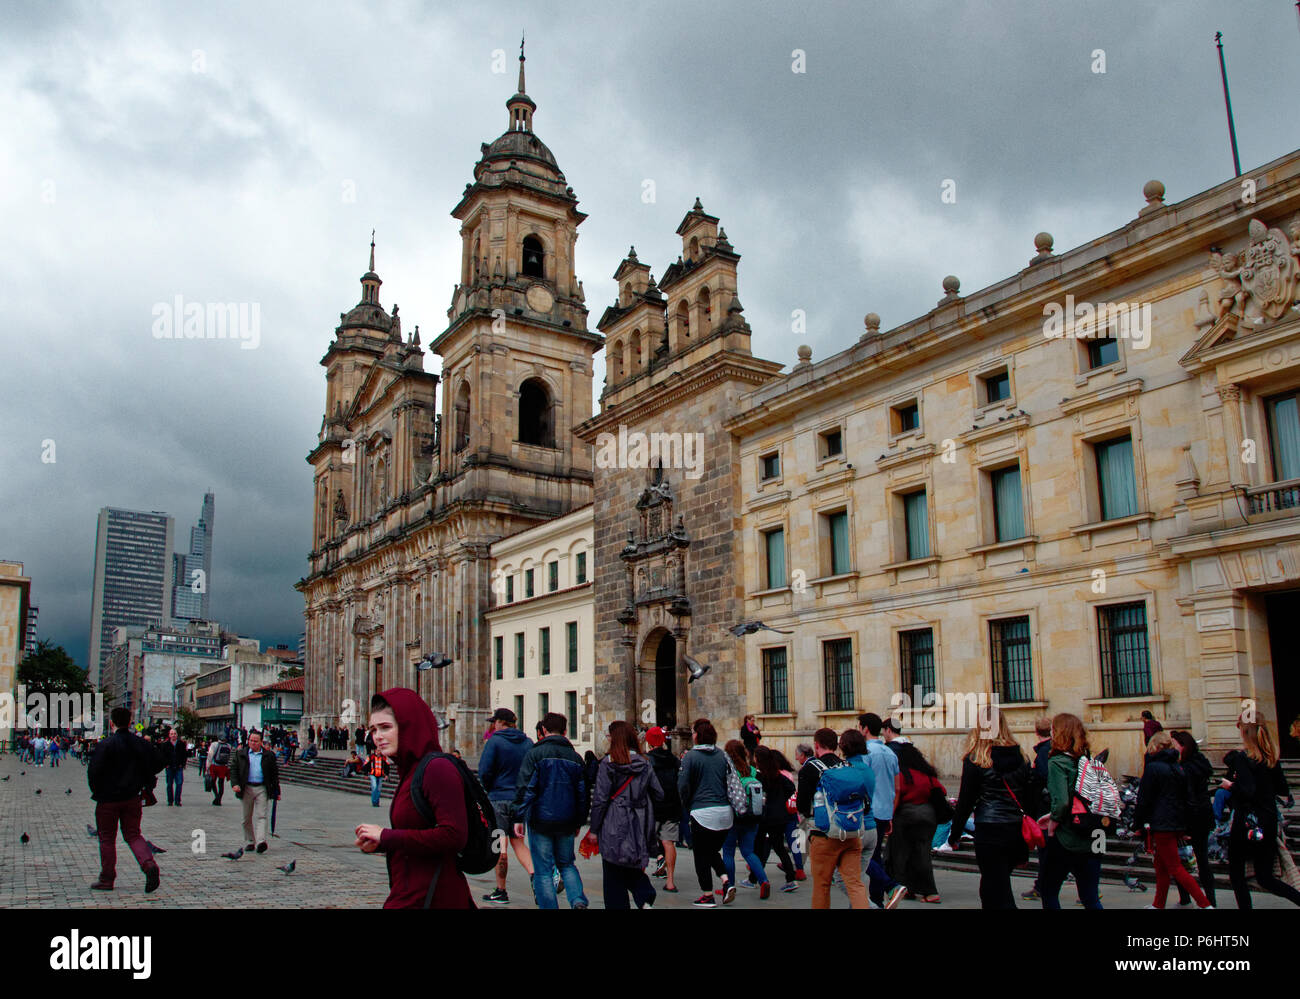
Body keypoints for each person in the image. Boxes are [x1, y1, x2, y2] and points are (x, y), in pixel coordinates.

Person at [354, 688, 473, 908]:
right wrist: (382, 843)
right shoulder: (410, 771)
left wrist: (387, 836)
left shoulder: (437, 768)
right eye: (373, 729)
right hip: (411, 891)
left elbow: (454, 835)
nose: (377, 736)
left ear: (409, 726)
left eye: (386, 727)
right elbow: (418, 833)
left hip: (434, 896)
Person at [948, 710, 1037, 910]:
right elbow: (1029, 798)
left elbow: (965, 802)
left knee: (996, 888)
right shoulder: (1021, 756)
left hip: (989, 829)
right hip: (1015, 828)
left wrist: (954, 834)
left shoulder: (976, 759)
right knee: (995, 884)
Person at [513, 711, 590, 909]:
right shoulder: (575, 757)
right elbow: (582, 794)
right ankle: (578, 900)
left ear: (544, 730)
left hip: (540, 820)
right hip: (567, 820)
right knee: (567, 864)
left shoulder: (535, 754)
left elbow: (525, 788)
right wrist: (579, 821)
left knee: (543, 871)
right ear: (565, 731)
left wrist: (518, 817)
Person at [1223, 720, 1300, 908]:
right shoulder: (1270, 758)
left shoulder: (1243, 758)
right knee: (1265, 877)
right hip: (1268, 822)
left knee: (1237, 875)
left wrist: (1231, 785)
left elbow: (1247, 791)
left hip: (1247, 824)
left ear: (1245, 735)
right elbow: (1282, 788)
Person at [87, 707, 164, 893]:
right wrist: (145, 781)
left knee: (106, 838)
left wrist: (98, 791)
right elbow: (158, 762)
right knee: (133, 835)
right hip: (132, 797)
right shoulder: (141, 744)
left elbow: (94, 772)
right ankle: (148, 864)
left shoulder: (106, 745)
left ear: (112, 723)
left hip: (107, 800)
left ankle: (107, 879)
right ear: (130, 722)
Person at [1134, 730, 1212, 909]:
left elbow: (1144, 799)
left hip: (1161, 823)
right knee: (1161, 865)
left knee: (1176, 867)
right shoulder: (1178, 767)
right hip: (1176, 822)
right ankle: (1158, 904)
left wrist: (1138, 824)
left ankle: (1205, 904)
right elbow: (1187, 798)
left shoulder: (1153, 768)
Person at [589, 720, 663, 909]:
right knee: (632, 863)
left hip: (613, 819)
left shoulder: (608, 763)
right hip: (639, 820)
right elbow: (659, 793)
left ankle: (630, 901)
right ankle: (644, 896)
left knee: (613, 870)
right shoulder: (645, 763)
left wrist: (594, 830)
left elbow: (600, 799)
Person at [797, 728, 871, 909]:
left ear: (816, 745)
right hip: (852, 833)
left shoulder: (809, 770)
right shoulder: (848, 766)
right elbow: (866, 804)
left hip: (824, 835)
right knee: (855, 884)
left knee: (822, 886)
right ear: (836, 745)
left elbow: (802, 807)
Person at [1038, 712, 1102, 910]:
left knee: (1049, 892)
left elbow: (1062, 801)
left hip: (1067, 836)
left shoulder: (1057, 762)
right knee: (1090, 896)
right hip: (1093, 834)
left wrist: (1052, 822)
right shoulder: (1088, 761)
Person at [477, 707, 534, 904]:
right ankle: (535, 878)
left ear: (501, 722)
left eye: (495, 722)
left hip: (498, 798)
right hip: (519, 800)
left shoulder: (495, 741)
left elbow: (484, 771)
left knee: (499, 845)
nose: (493, 725)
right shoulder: (527, 742)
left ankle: (501, 890)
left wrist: (489, 789)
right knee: (519, 842)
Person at [677, 718, 735, 907]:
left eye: (693, 732)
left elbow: (683, 785)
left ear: (698, 736)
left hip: (703, 812)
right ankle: (726, 881)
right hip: (725, 813)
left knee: (701, 855)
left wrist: (687, 805)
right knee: (710, 851)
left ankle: (708, 895)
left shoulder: (691, 757)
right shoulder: (722, 755)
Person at [888, 737, 945, 903]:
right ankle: (929, 892)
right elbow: (941, 790)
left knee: (901, 853)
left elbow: (896, 794)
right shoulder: (927, 774)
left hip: (905, 815)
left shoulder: (901, 773)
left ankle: (905, 888)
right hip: (928, 816)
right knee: (922, 854)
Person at [858, 713, 906, 909]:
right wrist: (891, 814)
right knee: (874, 855)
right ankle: (877, 900)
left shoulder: (866, 753)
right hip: (885, 810)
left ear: (865, 729)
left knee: (860, 855)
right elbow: (898, 787)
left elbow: (862, 783)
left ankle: (891, 886)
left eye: (860, 727)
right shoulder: (890, 753)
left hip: (869, 811)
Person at [1170, 730, 1217, 908]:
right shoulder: (1201, 764)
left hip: (1189, 819)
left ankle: (1186, 897)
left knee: (1181, 861)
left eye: (1175, 746)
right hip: (1203, 817)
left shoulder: (1184, 769)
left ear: (1184, 747)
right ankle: (1210, 899)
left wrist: (1183, 825)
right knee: (1203, 861)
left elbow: (1186, 798)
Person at [721, 739, 768, 896]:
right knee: (748, 851)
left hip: (734, 817)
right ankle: (764, 881)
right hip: (752, 817)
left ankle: (730, 886)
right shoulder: (753, 771)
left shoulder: (728, 771)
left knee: (728, 852)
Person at [754, 746, 799, 892]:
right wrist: (780, 801)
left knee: (760, 847)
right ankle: (791, 877)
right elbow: (791, 788)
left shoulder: (760, 776)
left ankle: (754, 878)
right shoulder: (777, 775)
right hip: (780, 816)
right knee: (779, 847)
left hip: (766, 817)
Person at [231, 729, 281, 854]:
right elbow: (234, 769)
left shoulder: (268, 755)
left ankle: (260, 842)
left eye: (255, 741)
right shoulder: (241, 754)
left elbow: (274, 774)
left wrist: (277, 791)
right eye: (251, 740)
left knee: (262, 816)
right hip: (246, 787)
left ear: (261, 742)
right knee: (246, 818)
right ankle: (250, 841)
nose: (253, 743)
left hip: (262, 788)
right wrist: (235, 784)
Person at [646, 726, 682, 893]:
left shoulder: (647, 760)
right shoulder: (674, 759)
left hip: (652, 807)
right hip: (671, 806)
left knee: (644, 842)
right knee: (669, 843)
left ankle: (640, 878)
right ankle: (671, 881)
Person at [1022, 715, 1054, 901]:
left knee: (1046, 850)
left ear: (1036, 731)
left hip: (1046, 810)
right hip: (1055, 808)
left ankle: (1041, 887)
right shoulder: (1057, 749)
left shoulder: (1044, 752)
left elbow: (1043, 778)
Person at [159, 728, 188, 806]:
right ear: (169, 735)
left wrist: (183, 764)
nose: (173, 735)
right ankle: (170, 800)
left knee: (179, 783)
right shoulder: (165, 744)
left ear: (177, 735)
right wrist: (166, 764)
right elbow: (162, 756)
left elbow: (184, 755)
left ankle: (177, 800)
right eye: (171, 734)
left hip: (179, 767)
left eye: (174, 734)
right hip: (169, 767)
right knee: (169, 784)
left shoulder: (181, 744)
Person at [207, 734, 233, 805]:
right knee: (221, 784)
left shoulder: (214, 744)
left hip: (214, 765)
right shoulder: (228, 746)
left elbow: (210, 756)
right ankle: (219, 799)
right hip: (223, 767)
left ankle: (216, 797)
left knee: (213, 782)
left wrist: (207, 766)